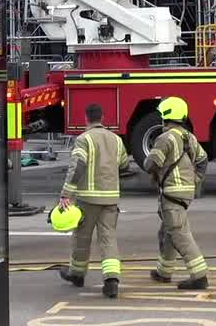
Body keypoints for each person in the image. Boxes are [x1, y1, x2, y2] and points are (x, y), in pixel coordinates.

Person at [58, 102, 129, 298]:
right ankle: (111, 279)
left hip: (88, 199)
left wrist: (66, 193)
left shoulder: (84, 139)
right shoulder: (116, 139)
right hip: (111, 199)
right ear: (102, 118)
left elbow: (78, 166)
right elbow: (123, 164)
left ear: (86, 118)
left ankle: (77, 274)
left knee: (82, 238)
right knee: (108, 239)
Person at [144, 96, 209, 290]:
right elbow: (203, 160)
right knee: (168, 232)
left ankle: (199, 276)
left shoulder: (165, 138)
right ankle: (164, 272)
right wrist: (194, 181)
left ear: (166, 116)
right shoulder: (188, 136)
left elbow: (150, 164)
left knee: (180, 234)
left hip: (172, 192)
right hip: (184, 191)